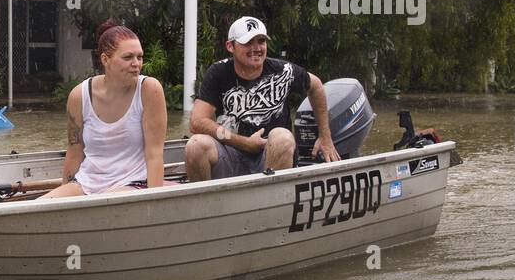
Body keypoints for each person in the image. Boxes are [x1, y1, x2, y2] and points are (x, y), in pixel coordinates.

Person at [185, 16, 340, 181]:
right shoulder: (218, 72)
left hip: (272, 155)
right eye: (248, 42)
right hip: (230, 152)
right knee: (195, 145)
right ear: (231, 46)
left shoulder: (283, 71)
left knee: (282, 137)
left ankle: (270, 201)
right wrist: (243, 142)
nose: (256, 48)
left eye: (261, 41)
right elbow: (197, 122)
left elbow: (316, 85)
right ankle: (208, 204)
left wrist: (325, 136)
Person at [42, 20, 170, 198]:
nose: (136, 64)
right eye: (128, 57)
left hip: (133, 183)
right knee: (38, 207)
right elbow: (74, 153)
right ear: (105, 59)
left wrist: (155, 201)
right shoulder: (79, 96)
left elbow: (154, 154)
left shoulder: (150, 89)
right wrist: (64, 200)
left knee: (99, 203)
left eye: (139, 57)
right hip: (86, 183)